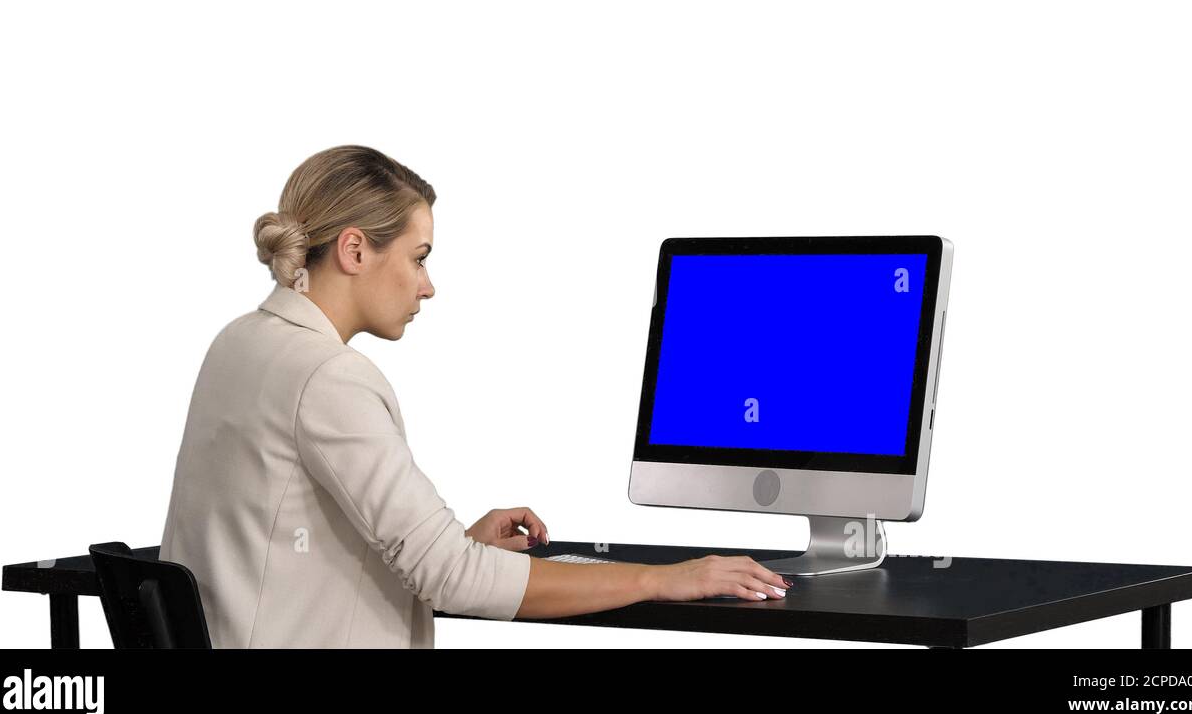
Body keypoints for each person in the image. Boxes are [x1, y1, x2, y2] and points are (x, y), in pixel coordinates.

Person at [158, 145, 791, 648]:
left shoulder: (239, 343)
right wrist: (667, 579)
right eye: (419, 257)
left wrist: (456, 544)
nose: (427, 287)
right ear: (354, 249)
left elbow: (286, 537)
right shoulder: (329, 376)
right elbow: (451, 580)